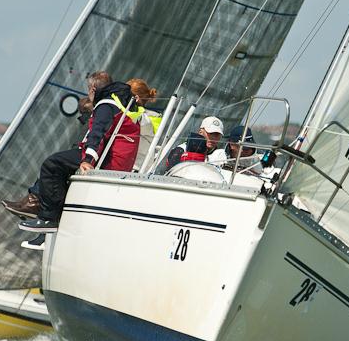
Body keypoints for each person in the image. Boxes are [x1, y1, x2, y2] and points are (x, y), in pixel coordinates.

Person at [14, 71, 140, 232]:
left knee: (52, 164)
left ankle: (49, 218)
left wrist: (88, 160)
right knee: (66, 165)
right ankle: (47, 215)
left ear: (93, 89)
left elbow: (98, 134)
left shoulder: (106, 105)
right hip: (123, 162)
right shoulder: (123, 102)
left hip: (111, 162)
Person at [159, 116, 224, 171]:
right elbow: (169, 175)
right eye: (210, 133)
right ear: (200, 132)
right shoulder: (181, 150)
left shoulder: (221, 155)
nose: (213, 138)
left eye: (217, 135)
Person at [127, 78, 162, 171]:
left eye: (125, 95)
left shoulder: (153, 117)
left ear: (136, 98)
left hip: (137, 170)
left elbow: (137, 120)